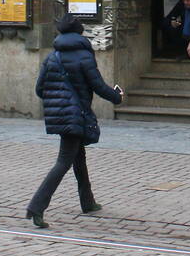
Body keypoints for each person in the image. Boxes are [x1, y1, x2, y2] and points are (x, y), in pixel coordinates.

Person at [25, 14, 123, 229]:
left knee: (78, 156)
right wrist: (117, 96)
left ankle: (87, 202)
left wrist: (59, 101)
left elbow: (40, 89)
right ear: (80, 33)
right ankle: (36, 206)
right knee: (63, 161)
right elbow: (98, 85)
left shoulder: (52, 57)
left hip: (61, 114)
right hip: (76, 113)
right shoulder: (83, 56)